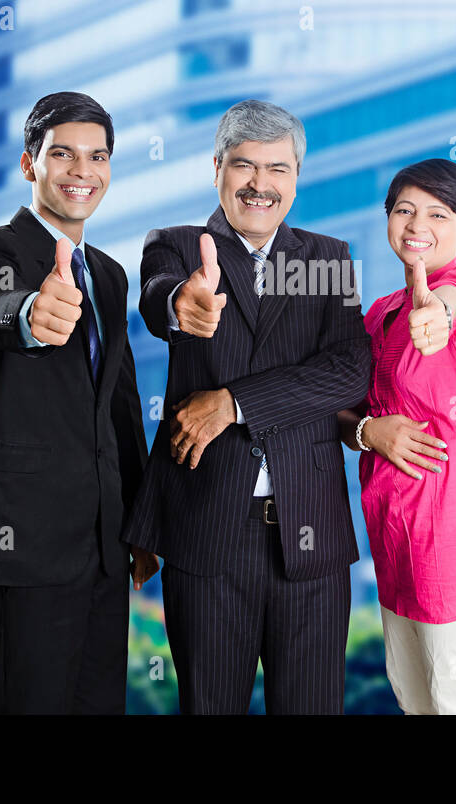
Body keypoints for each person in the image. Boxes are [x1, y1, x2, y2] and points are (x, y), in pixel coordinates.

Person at [123, 99, 370, 714]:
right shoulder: (176, 247)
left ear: (296, 176)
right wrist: (184, 303)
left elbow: (348, 370)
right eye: (243, 166)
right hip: (207, 532)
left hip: (309, 536)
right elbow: (160, 299)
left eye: (277, 169)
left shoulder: (326, 257)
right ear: (216, 169)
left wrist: (234, 403)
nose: (260, 184)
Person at [0, 91, 154, 714]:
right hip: (25, 543)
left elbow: (121, 405)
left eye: (97, 157)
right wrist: (35, 316)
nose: (81, 171)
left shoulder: (112, 276)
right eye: (62, 154)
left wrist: (140, 522)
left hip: (104, 544)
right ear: (28, 163)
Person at [336, 158, 456, 714]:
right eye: (404, 210)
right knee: (413, 694)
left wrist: (437, 315)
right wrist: (370, 432)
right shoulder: (379, 314)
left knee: (455, 697)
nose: (417, 224)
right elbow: (344, 417)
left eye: (438, 214)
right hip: (397, 529)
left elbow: (452, 309)